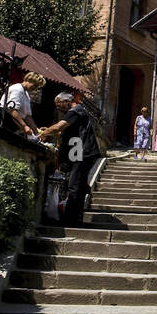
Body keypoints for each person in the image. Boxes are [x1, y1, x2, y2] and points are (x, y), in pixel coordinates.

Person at [39, 92, 102, 226]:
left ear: (67, 101)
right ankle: (76, 216)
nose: (58, 108)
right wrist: (50, 130)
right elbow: (66, 130)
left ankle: (70, 218)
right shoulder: (78, 111)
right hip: (81, 152)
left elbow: (59, 127)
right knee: (78, 184)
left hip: (82, 153)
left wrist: (43, 134)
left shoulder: (74, 111)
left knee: (74, 185)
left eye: (59, 104)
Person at [0, 72, 46, 138]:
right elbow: (11, 109)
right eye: (35, 85)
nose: (35, 88)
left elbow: (27, 115)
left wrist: (36, 131)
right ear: (29, 80)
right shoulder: (18, 89)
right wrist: (24, 126)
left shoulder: (26, 94)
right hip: (7, 120)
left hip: (15, 123)